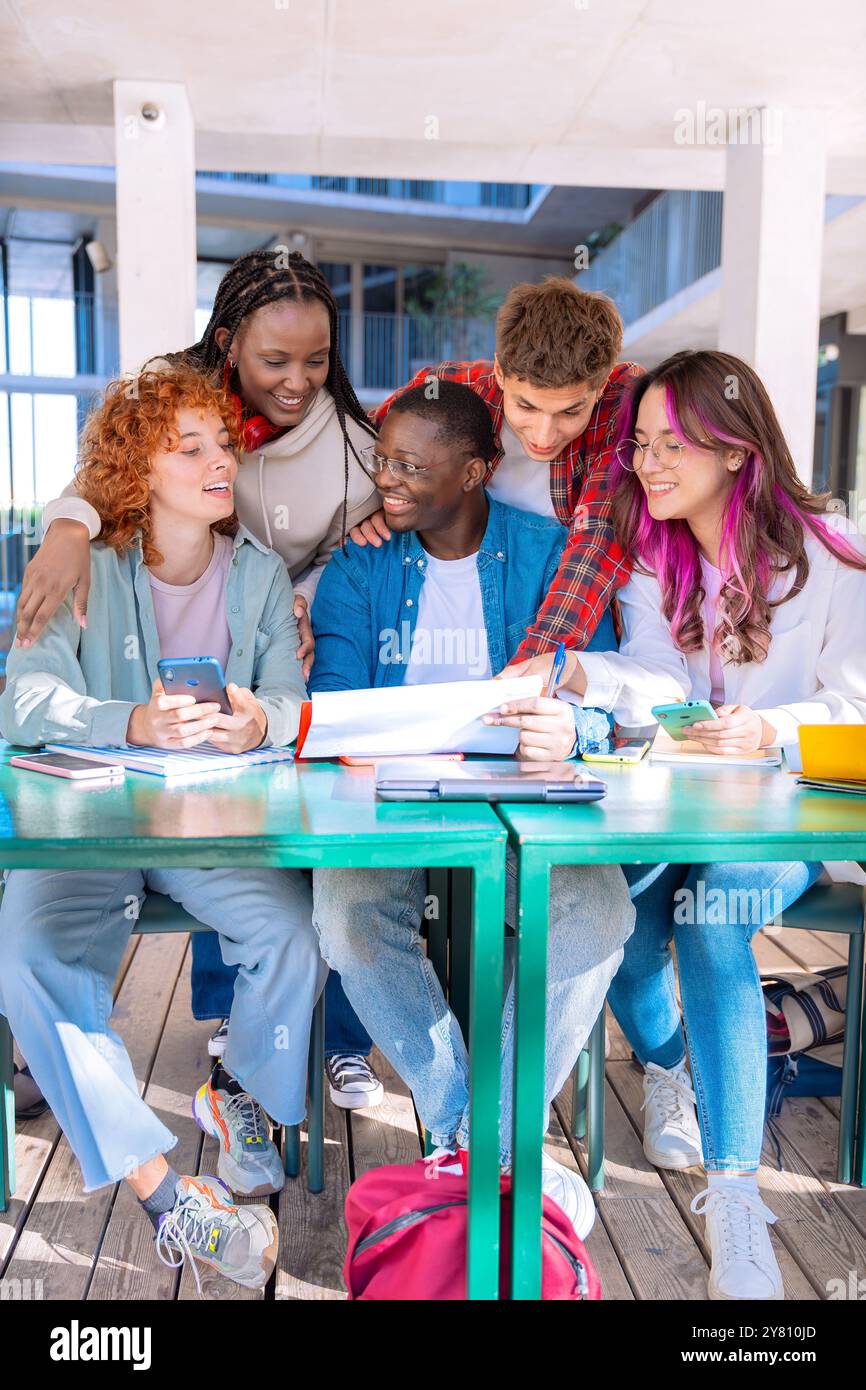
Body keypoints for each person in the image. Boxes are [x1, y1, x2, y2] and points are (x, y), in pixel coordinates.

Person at [507, 349, 866, 1300]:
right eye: (642, 444)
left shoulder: (832, 553)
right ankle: (674, 1066)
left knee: (710, 920)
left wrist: (768, 730)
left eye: (672, 444)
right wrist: (582, 672)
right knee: (606, 908)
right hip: (681, 803)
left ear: (737, 451)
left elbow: (858, 708)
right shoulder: (654, 553)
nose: (648, 463)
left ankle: (739, 1203)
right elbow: (658, 677)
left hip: (784, 816)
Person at [14, 248, 383, 1110]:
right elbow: (28, 699)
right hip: (108, 798)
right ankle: (118, 1102)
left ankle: (254, 1082)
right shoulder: (155, 448)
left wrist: (296, 621)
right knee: (40, 938)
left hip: (248, 683)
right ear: (228, 346)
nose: (297, 381)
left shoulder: (335, 459)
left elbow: (335, 586)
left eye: (317, 360)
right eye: (274, 360)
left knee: (284, 912)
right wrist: (68, 525)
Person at [0, 364, 330, 1291]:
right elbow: (21, 700)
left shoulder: (260, 573)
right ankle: (164, 1195)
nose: (220, 460)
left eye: (222, 443)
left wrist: (256, 720)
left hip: (208, 823)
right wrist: (130, 722)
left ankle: (242, 1100)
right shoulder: (83, 563)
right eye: (190, 449)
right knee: (23, 958)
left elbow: (283, 695)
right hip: (86, 825)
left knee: (292, 936)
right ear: (137, 471)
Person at [310, 380, 635, 1239]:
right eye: (383, 460)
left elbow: (597, 695)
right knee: (345, 913)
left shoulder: (545, 554)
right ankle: (482, 1140)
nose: (388, 478)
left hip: (523, 793)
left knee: (598, 908)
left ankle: (466, 1143)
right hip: (389, 796)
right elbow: (333, 700)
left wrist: (568, 724)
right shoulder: (360, 565)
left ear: (478, 471)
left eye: (413, 465)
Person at [351, 276, 643, 662]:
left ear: (600, 384)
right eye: (527, 407)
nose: (544, 434)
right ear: (501, 373)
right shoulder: (451, 388)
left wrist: (533, 667)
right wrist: (367, 505)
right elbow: (360, 449)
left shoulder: (622, 403)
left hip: (572, 622)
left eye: (571, 411)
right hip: (449, 605)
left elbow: (595, 545)